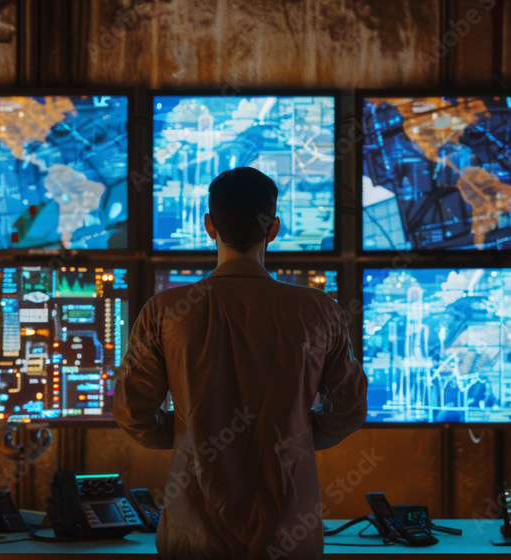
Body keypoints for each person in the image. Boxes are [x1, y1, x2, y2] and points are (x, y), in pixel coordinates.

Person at [114, 167, 368, 559]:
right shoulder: (319, 311)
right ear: (274, 229)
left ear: (209, 226)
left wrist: (189, 433)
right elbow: (348, 411)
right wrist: (294, 434)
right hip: (288, 533)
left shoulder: (164, 312)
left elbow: (134, 414)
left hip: (192, 536)